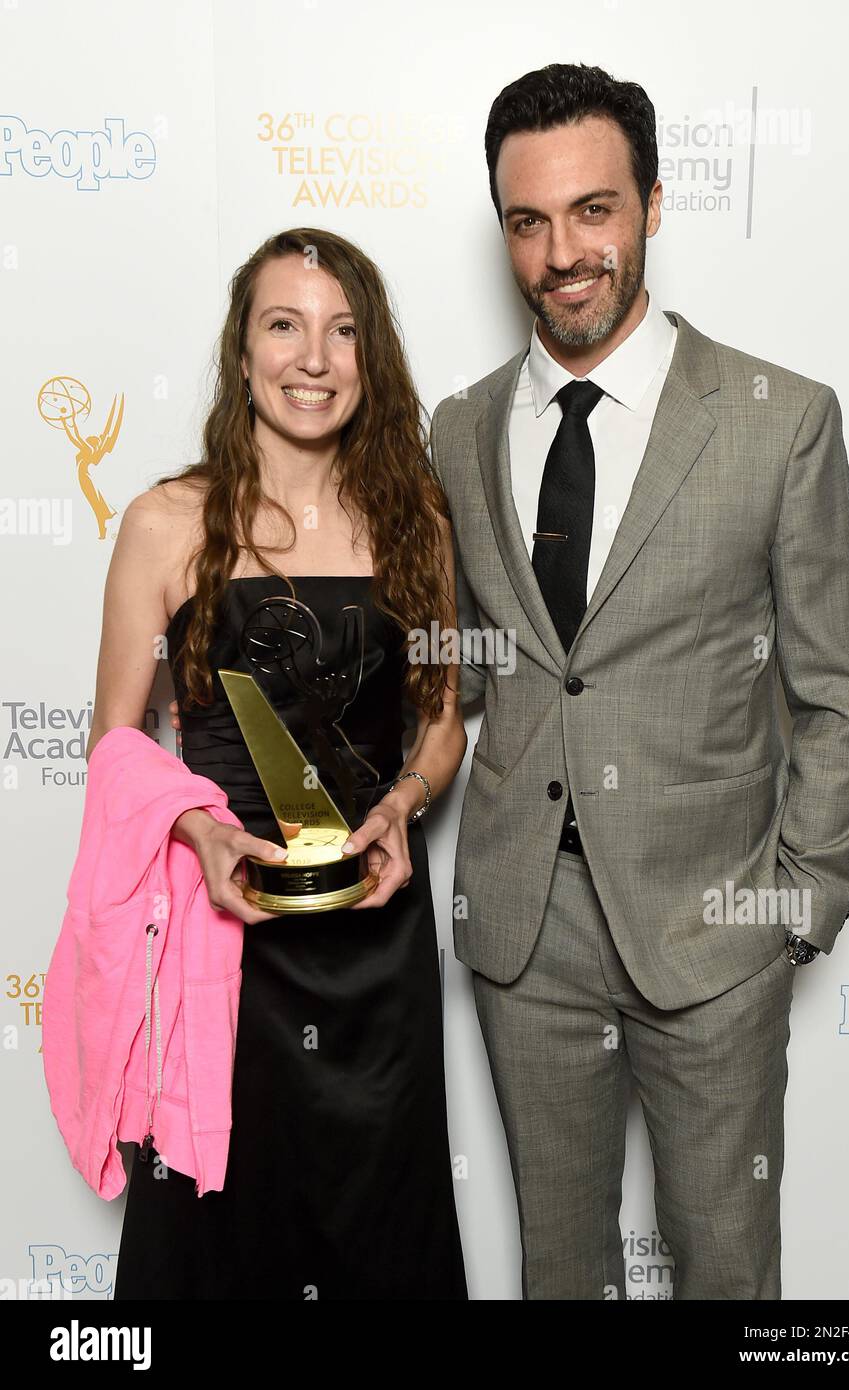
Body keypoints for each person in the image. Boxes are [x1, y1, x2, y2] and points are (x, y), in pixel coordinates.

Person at [428, 64, 849, 1299]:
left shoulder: (777, 419)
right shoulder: (458, 429)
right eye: (529, 221)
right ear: (503, 232)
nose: (563, 251)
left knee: (729, 1270)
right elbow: (465, 670)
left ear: (652, 206)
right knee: (559, 1273)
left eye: (594, 210)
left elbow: (845, 688)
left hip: (715, 929)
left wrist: (796, 902)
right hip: (526, 935)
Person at [91, 226, 468, 1300]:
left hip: (379, 949)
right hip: (225, 940)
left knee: (377, 1232)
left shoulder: (418, 521)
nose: (315, 357)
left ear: (371, 355)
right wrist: (199, 830)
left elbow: (443, 723)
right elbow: (115, 743)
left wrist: (406, 800)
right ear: (242, 350)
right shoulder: (168, 522)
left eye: (344, 330)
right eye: (285, 325)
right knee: (217, 1240)